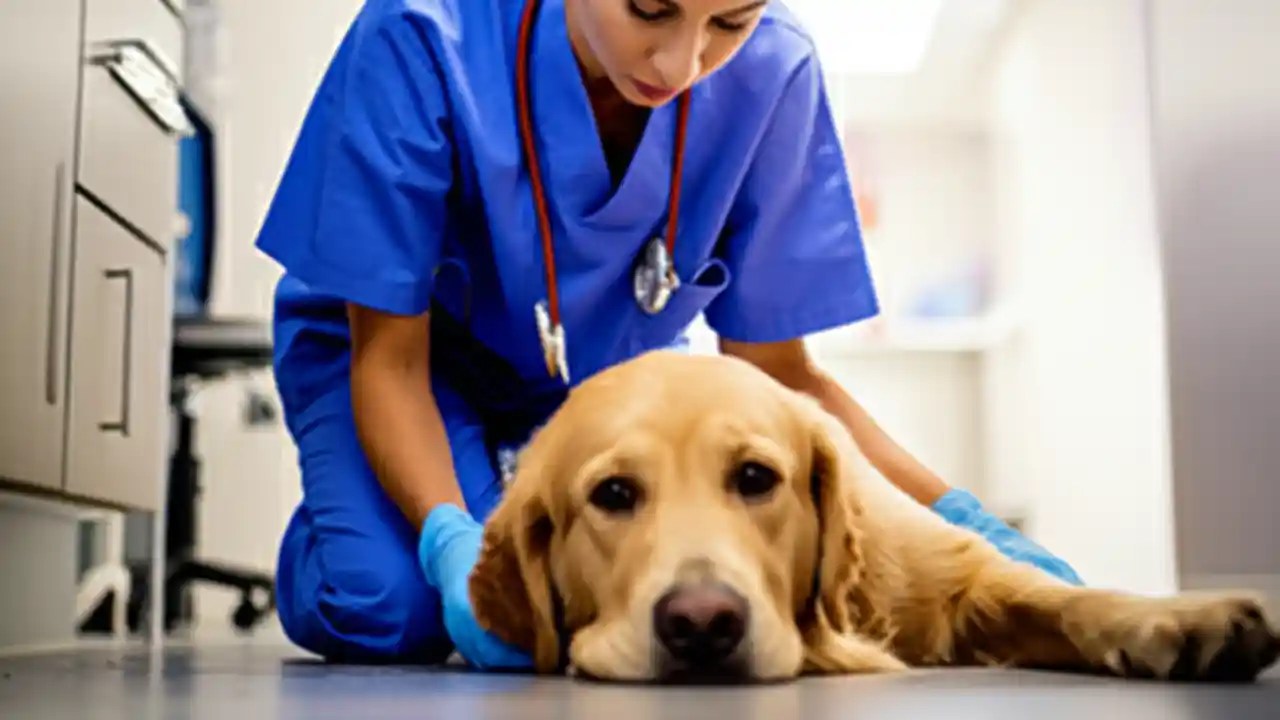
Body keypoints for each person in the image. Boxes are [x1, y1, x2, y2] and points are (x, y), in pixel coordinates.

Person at [255, 0, 1082, 669]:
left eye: (730, 21)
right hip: (406, 360)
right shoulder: (418, 36)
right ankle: (354, 522)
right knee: (394, 609)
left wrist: (972, 530)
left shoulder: (774, 69)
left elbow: (785, 382)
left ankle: (469, 490)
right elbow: (389, 363)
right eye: (650, 9)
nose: (681, 64)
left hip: (608, 375)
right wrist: (446, 540)